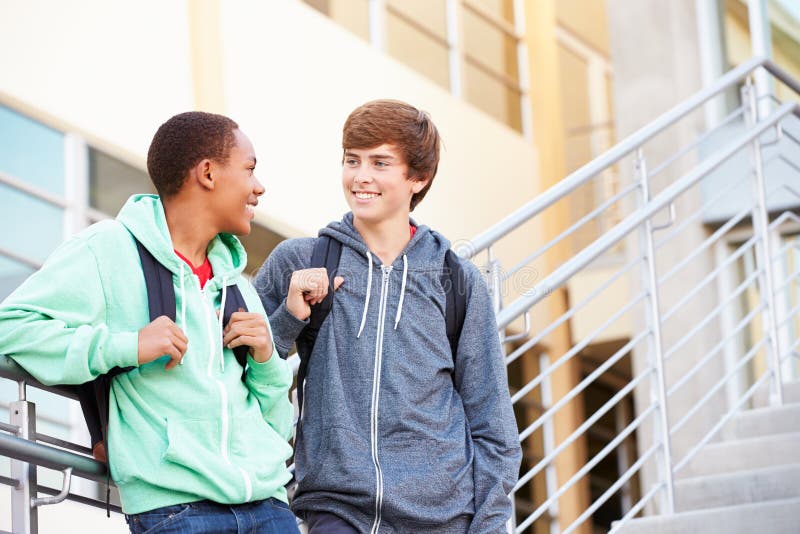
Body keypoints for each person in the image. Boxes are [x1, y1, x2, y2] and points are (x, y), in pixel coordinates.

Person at [0, 112, 298, 533]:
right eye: (249, 169)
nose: (258, 186)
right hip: (179, 511)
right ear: (208, 174)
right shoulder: (108, 250)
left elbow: (276, 429)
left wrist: (267, 360)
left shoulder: (239, 286)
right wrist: (126, 346)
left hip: (269, 509)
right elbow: (10, 326)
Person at [255, 99, 521, 533]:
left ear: (419, 177)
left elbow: (491, 419)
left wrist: (487, 524)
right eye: (351, 160)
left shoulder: (455, 279)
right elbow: (239, 365)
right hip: (336, 507)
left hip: (442, 516)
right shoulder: (301, 262)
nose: (361, 176)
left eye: (380, 163)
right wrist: (288, 317)